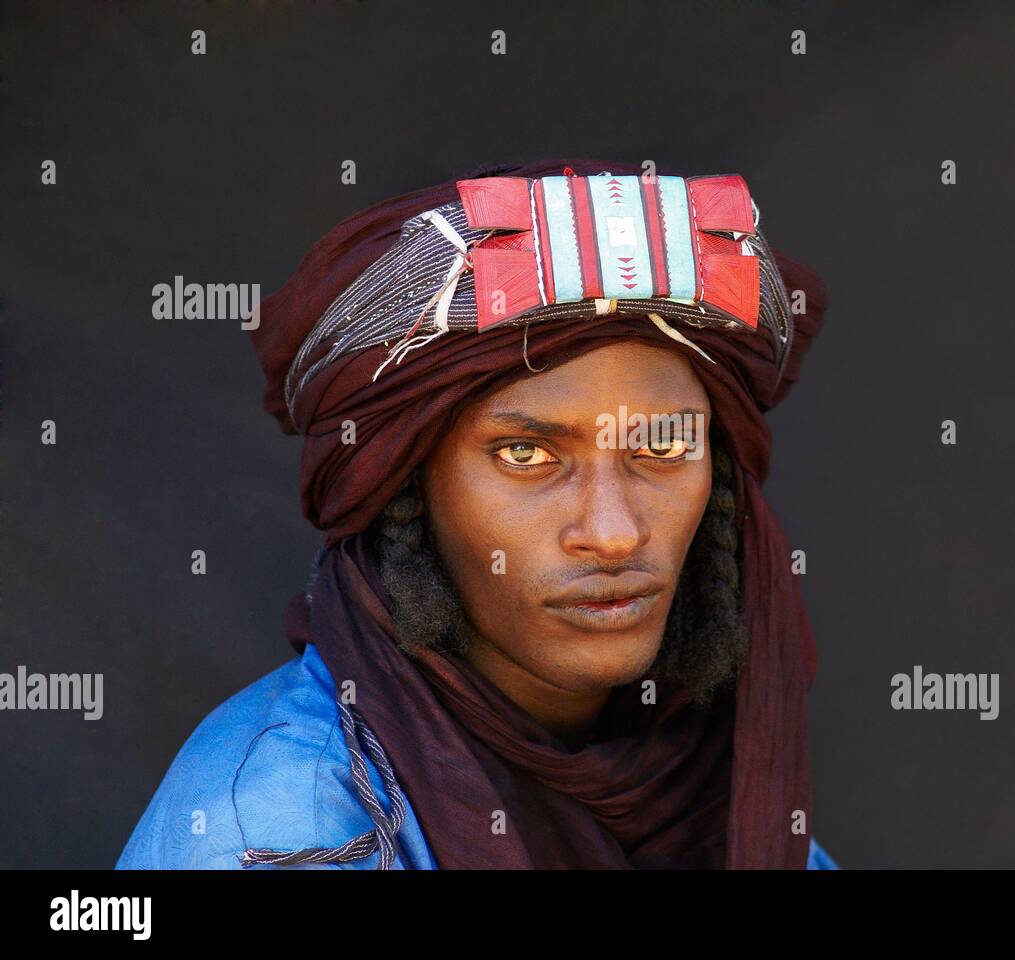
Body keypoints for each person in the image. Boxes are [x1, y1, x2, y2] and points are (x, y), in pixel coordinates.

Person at [116, 158, 837, 869]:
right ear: (404, 483)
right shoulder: (288, 832)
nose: (616, 533)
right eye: (526, 454)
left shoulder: (713, 790)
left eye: (665, 444)